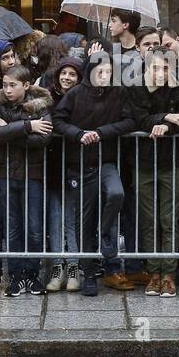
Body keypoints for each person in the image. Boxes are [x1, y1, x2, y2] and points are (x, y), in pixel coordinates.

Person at [51, 53, 136, 297]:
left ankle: (106, 229)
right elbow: (58, 119)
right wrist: (78, 134)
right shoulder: (76, 94)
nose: (104, 75)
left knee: (116, 193)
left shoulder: (119, 93)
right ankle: (88, 274)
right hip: (79, 164)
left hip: (106, 161)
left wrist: (102, 132)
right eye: (100, 70)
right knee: (83, 222)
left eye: (109, 71)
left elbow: (130, 121)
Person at [0, 65, 54, 296]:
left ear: (26, 86)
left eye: (12, 85)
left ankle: (33, 274)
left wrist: (10, 131)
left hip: (33, 174)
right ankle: (15, 276)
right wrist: (27, 127)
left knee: (34, 228)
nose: (7, 89)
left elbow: (43, 138)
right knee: (12, 228)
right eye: (4, 84)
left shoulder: (41, 105)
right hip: (5, 173)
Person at [127, 48, 179, 298]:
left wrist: (166, 125)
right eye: (155, 68)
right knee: (148, 219)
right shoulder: (136, 87)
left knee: (168, 219)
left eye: (165, 68)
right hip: (143, 162)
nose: (160, 73)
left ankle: (169, 274)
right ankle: (153, 272)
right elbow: (137, 118)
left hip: (171, 161)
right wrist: (165, 117)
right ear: (146, 67)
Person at [38, 56, 83, 291]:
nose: (67, 78)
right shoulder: (45, 97)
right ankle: (57, 266)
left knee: (71, 219)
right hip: (52, 165)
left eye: (73, 74)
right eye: (64, 73)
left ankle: (74, 266)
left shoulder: (83, 98)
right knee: (55, 217)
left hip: (75, 164)